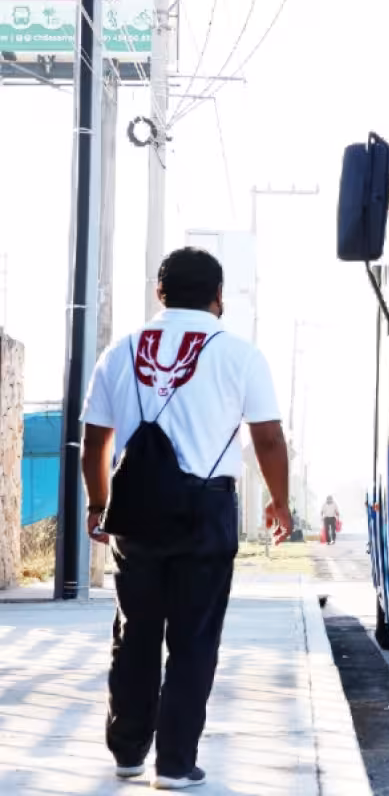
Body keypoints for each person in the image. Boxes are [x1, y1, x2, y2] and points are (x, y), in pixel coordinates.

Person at [80, 246, 291, 790]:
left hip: (136, 513)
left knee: (136, 633)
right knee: (194, 640)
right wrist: (279, 501)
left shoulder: (119, 352)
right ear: (219, 297)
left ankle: (127, 752)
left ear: (160, 293)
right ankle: (174, 763)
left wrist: (98, 503)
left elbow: (95, 441)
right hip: (206, 509)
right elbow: (267, 437)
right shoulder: (239, 354)